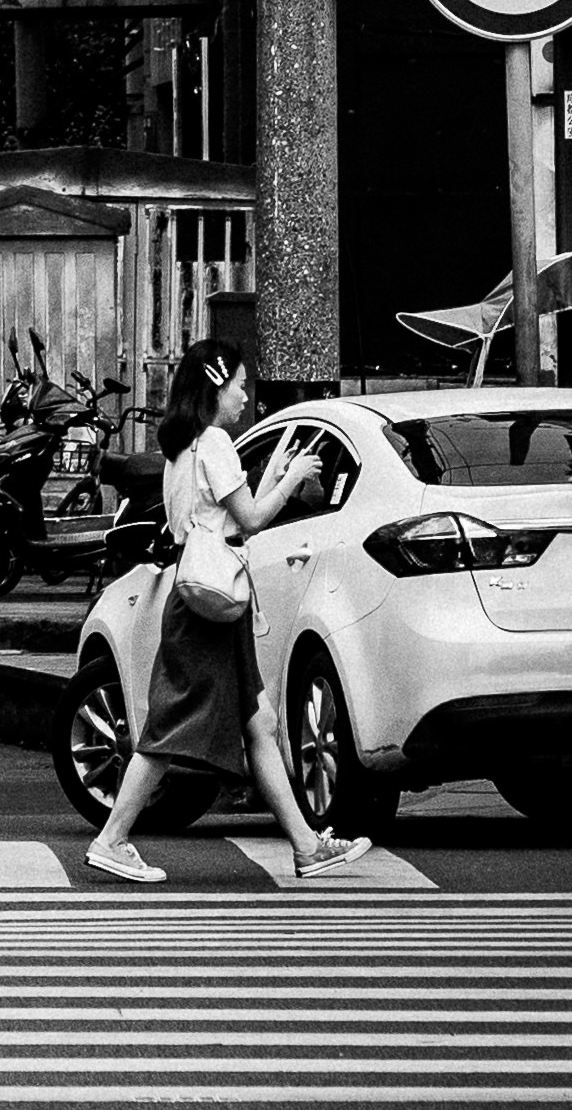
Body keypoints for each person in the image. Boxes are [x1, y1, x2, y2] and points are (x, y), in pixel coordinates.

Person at [82, 341, 372, 889]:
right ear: (216, 386)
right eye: (239, 384)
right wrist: (292, 479)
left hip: (203, 599)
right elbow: (253, 520)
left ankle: (307, 847)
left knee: (259, 723)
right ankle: (113, 838)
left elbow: (221, 523)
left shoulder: (183, 451)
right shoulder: (214, 441)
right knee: (172, 727)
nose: (245, 395)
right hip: (208, 607)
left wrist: (270, 474)